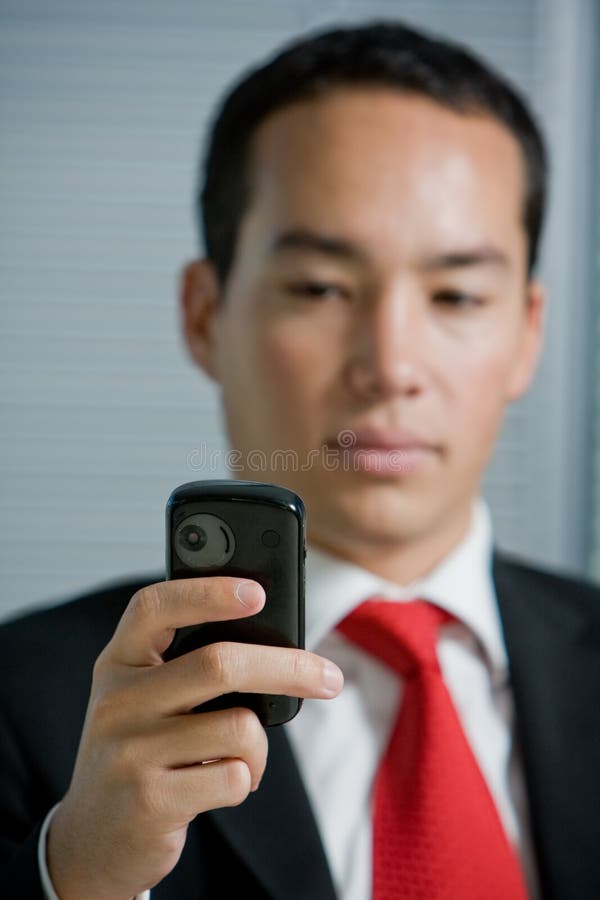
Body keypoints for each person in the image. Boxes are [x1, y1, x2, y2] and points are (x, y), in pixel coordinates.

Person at [1, 19, 599, 900]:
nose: (391, 366)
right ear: (205, 316)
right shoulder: (24, 702)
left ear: (528, 334)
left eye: (457, 295)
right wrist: (79, 875)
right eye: (320, 287)